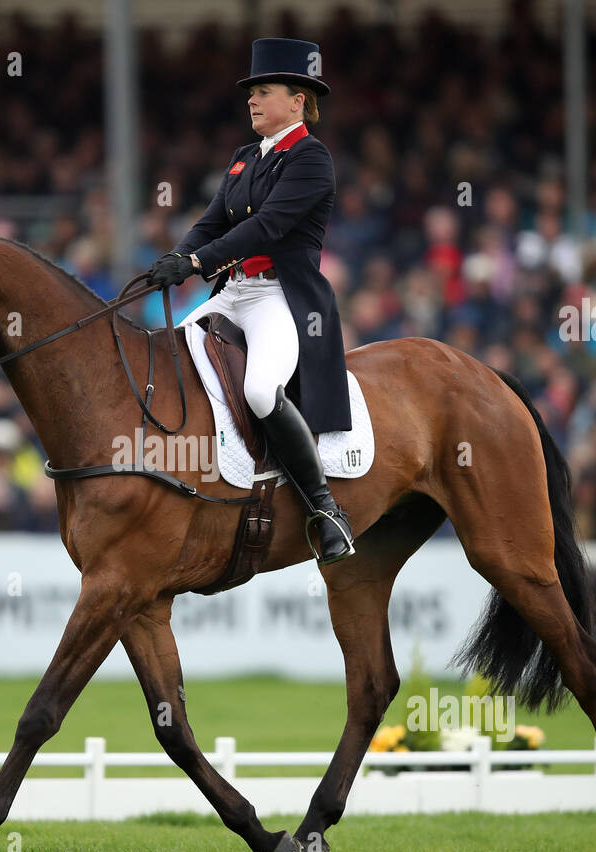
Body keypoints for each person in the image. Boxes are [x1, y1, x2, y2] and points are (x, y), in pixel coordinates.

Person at [149, 37, 355, 564]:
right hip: (235, 291)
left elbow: (267, 227)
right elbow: (213, 221)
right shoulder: (245, 159)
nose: (251, 101)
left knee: (262, 390)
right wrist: (177, 257)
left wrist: (196, 265)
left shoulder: (311, 157)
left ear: (298, 99)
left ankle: (326, 510)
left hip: (281, 298)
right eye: (250, 93)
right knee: (163, 356)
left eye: (263, 91)